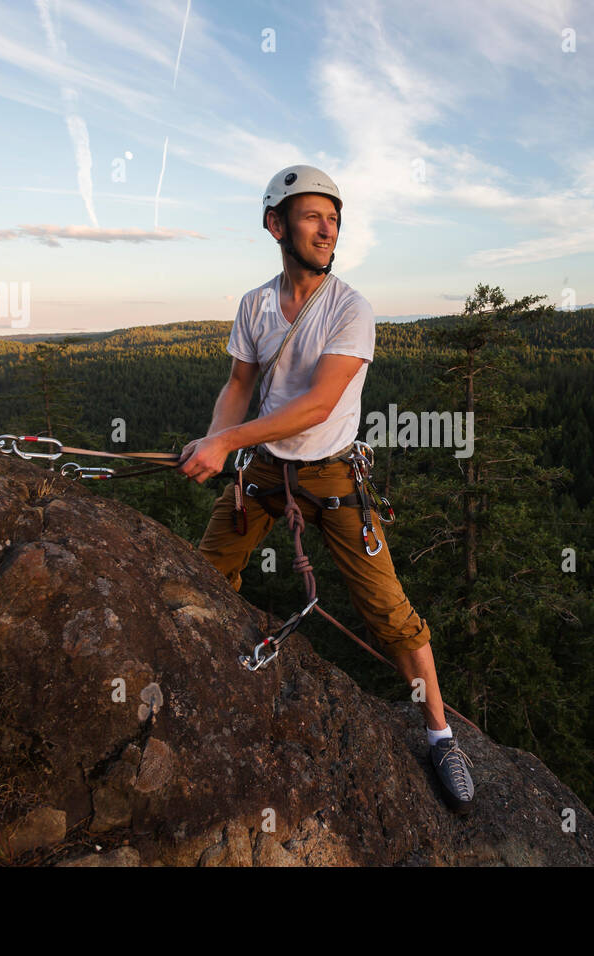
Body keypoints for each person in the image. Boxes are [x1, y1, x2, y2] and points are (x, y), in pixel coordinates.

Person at [179, 164, 475, 814]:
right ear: (275, 224)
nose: (327, 227)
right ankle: (222, 669)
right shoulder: (255, 305)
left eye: (333, 217)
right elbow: (238, 385)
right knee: (205, 571)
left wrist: (226, 443)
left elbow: (317, 406)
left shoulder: (350, 308)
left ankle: (441, 734)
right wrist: (214, 440)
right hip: (265, 470)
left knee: (390, 613)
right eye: (312, 215)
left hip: (334, 474)